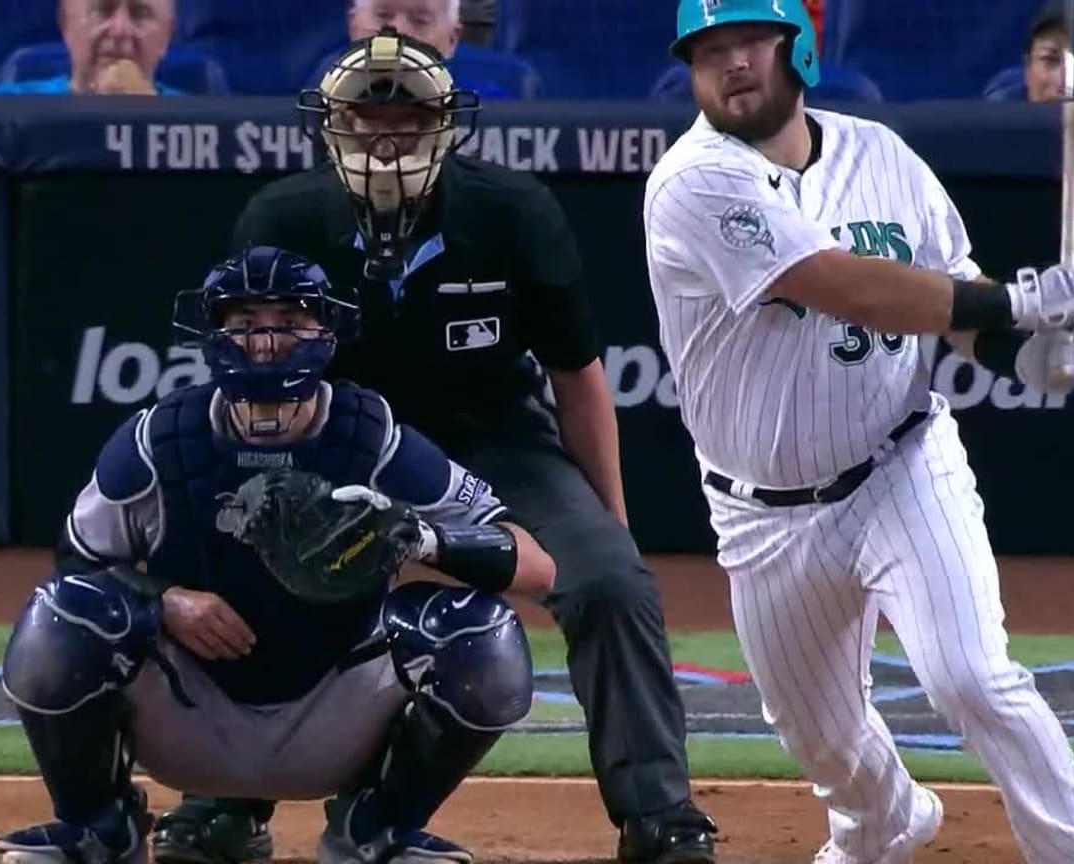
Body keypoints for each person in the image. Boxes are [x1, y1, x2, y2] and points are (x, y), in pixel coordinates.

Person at [148, 26, 720, 864]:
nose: (386, 136)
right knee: (262, 561)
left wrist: (612, 525)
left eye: (407, 118)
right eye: (365, 117)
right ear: (329, 125)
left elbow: (577, 375)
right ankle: (227, 801)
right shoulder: (284, 216)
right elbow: (248, 373)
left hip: (493, 442)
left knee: (610, 582)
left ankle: (658, 814)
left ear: (446, 124)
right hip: (332, 443)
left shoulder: (511, 210)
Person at [643, 1, 1074, 863]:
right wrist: (1019, 301)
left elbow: (957, 305)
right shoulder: (694, 180)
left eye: (751, 40)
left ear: (800, 49)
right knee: (824, 740)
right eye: (709, 50)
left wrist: (1033, 353)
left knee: (973, 677)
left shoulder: (883, 156)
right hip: (760, 514)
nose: (733, 64)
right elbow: (840, 284)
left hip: (898, 463)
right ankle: (884, 825)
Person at [0, 244, 556, 864]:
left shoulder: (372, 436)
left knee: (484, 634)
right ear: (214, 335)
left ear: (325, 330)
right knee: (62, 615)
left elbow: (535, 565)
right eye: (244, 325)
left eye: (288, 324)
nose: (265, 344)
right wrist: (164, 602)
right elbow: (77, 559)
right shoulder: (162, 438)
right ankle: (99, 828)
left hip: (337, 712)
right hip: (191, 710)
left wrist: (422, 538)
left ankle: (377, 829)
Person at [304, 0, 516, 100]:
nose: (399, 30)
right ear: (353, 25)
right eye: (383, 15)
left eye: (420, 21)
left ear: (452, 39)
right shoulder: (325, 87)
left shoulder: (489, 97)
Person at [0, 0, 181, 96]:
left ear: (168, 36)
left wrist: (153, 116)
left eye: (140, 14)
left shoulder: (204, 124)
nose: (120, 30)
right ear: (65, 24)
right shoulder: (1, 111)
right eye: (102, 11)